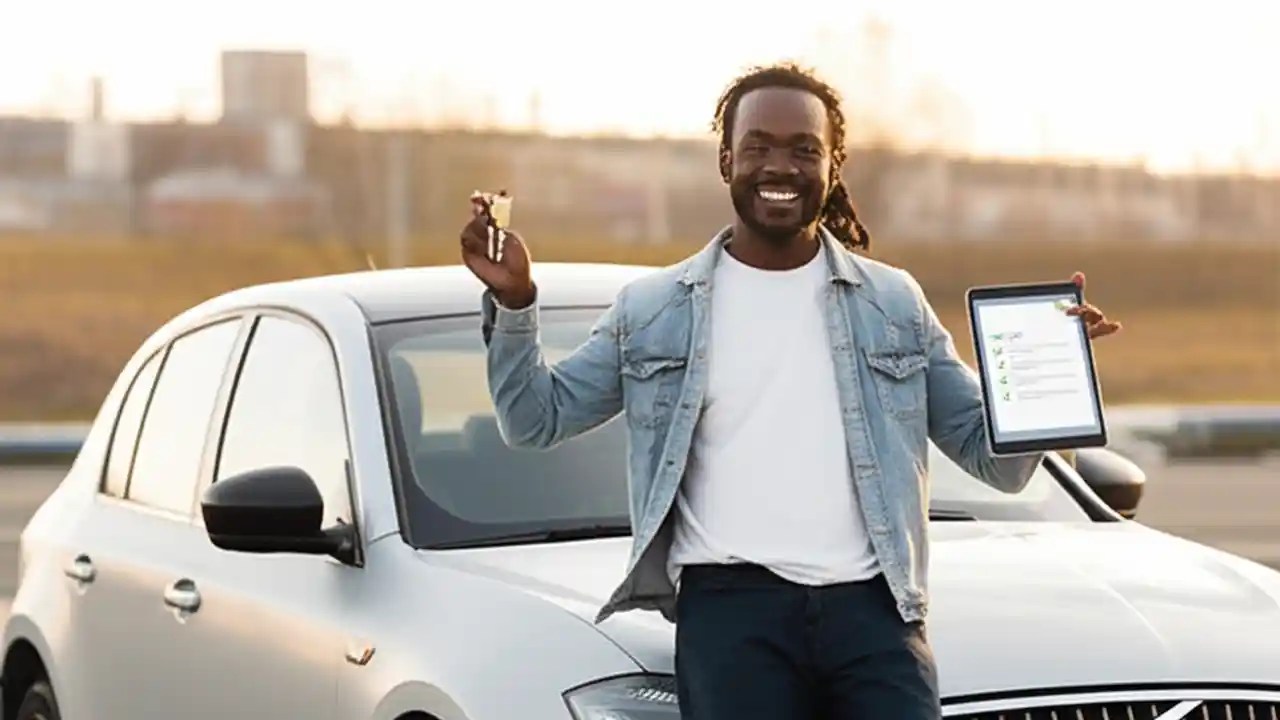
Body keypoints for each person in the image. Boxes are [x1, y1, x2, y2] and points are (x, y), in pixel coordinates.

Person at [459, 62, 1121, 720]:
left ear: (834, 166)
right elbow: (535, 419)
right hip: (732, 617)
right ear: (727, 161)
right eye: (759, 147)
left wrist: (1046, 376)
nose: (781, 167)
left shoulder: (893, 303)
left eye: (805, 150)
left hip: (875, 614)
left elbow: (991, 461)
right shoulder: (655, 309)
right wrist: (515, 302)